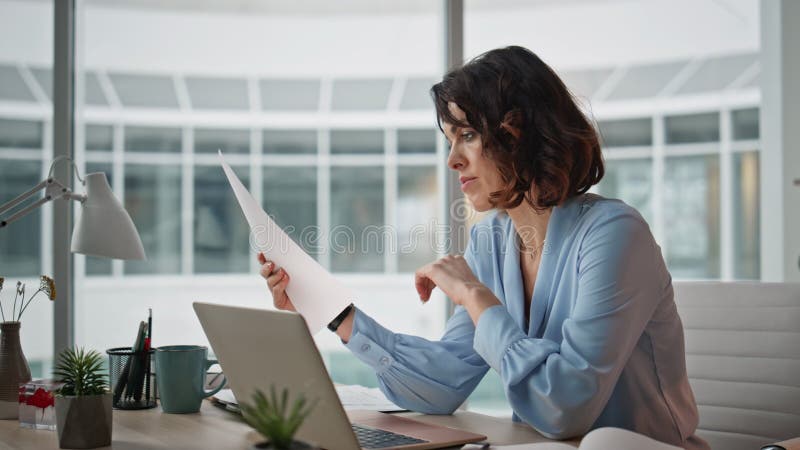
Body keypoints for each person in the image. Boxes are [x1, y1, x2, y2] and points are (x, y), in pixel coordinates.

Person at [257, 46, 709, 450]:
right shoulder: (492, 240)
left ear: (519, 134)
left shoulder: (614, 234)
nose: (453, 159)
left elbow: (565, 408)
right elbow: (443, 383)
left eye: (468, 135)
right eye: (450, 140)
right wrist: (335, 312)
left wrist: (475, 297)